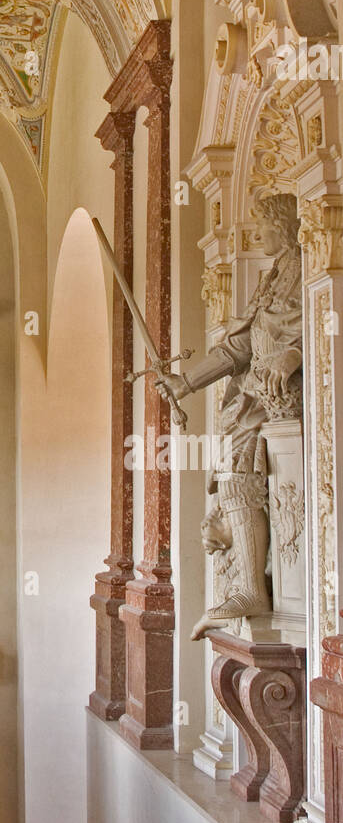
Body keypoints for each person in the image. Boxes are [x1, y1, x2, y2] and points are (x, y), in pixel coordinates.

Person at [156, 193, 302, 636]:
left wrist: (294, 353)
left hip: (285, 402)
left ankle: (252, 588)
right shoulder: (274, 276)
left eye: (262, 223)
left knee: (240, 477)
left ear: (285, 224)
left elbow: (323, 316)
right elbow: (239, 346)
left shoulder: (308, 265)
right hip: (254, 394)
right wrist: (187, 381)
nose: (255, 233)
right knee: (233, 478)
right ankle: (247, 583)